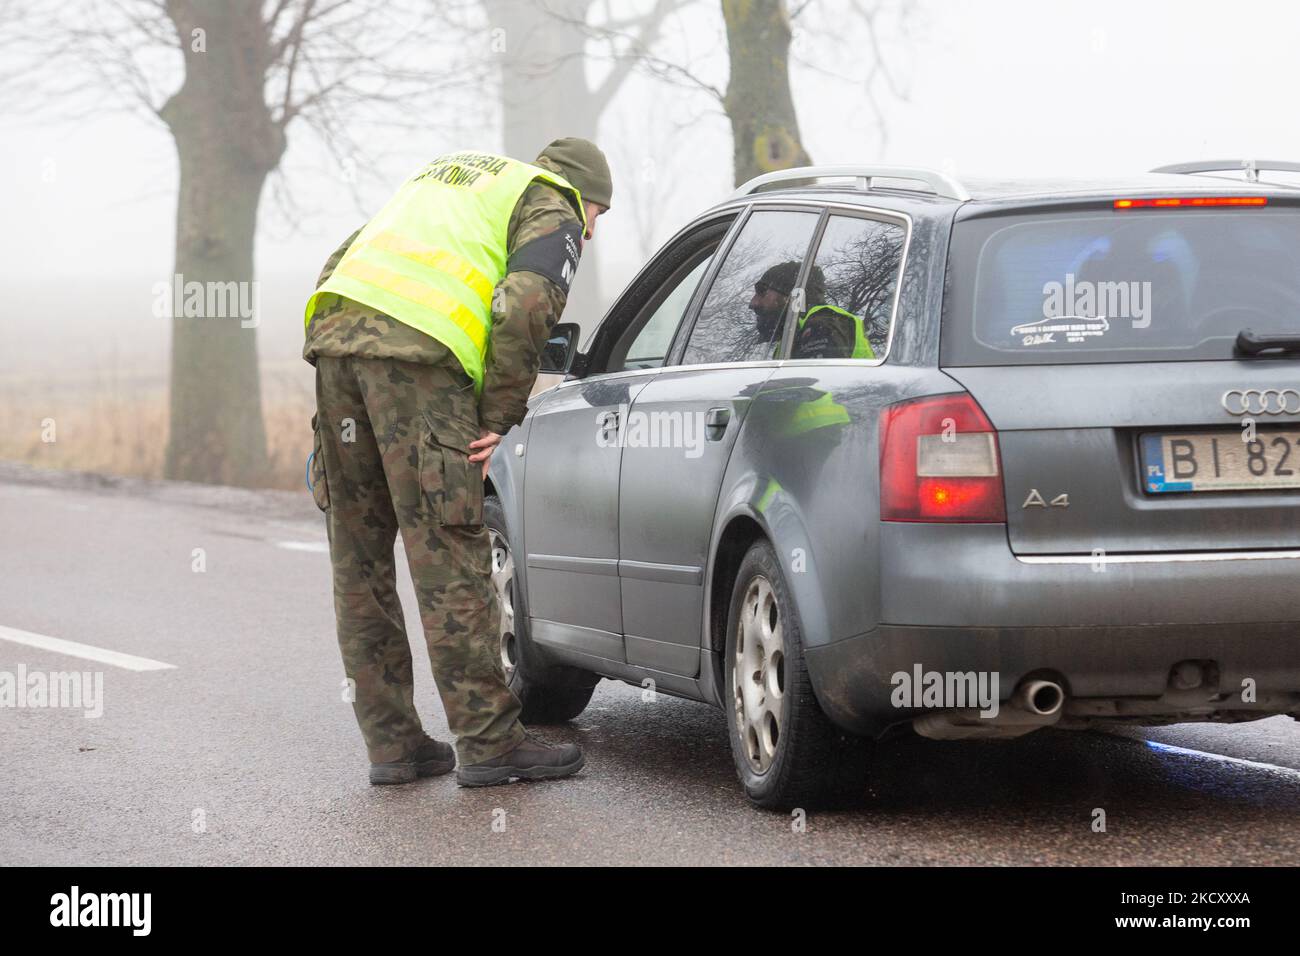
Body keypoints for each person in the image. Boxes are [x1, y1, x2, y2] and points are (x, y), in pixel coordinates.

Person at [302, 139, 612, 787]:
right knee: (450, 551)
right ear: (583, 194)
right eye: (597, 215)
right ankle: (490, 742)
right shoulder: (548, 200)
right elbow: (528, 301)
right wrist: (498, 413)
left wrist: (332, 402)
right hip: (420, 360)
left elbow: (341, 262)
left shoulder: (447, 178)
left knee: (358, 560)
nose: (589, 230)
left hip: (336, 344)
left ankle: (394, 745)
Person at [749, 261, 874, 359]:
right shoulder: (790, 339)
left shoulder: (822, 325)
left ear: (791, 296)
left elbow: (816, 389)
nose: (753, 303)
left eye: (762, 291)